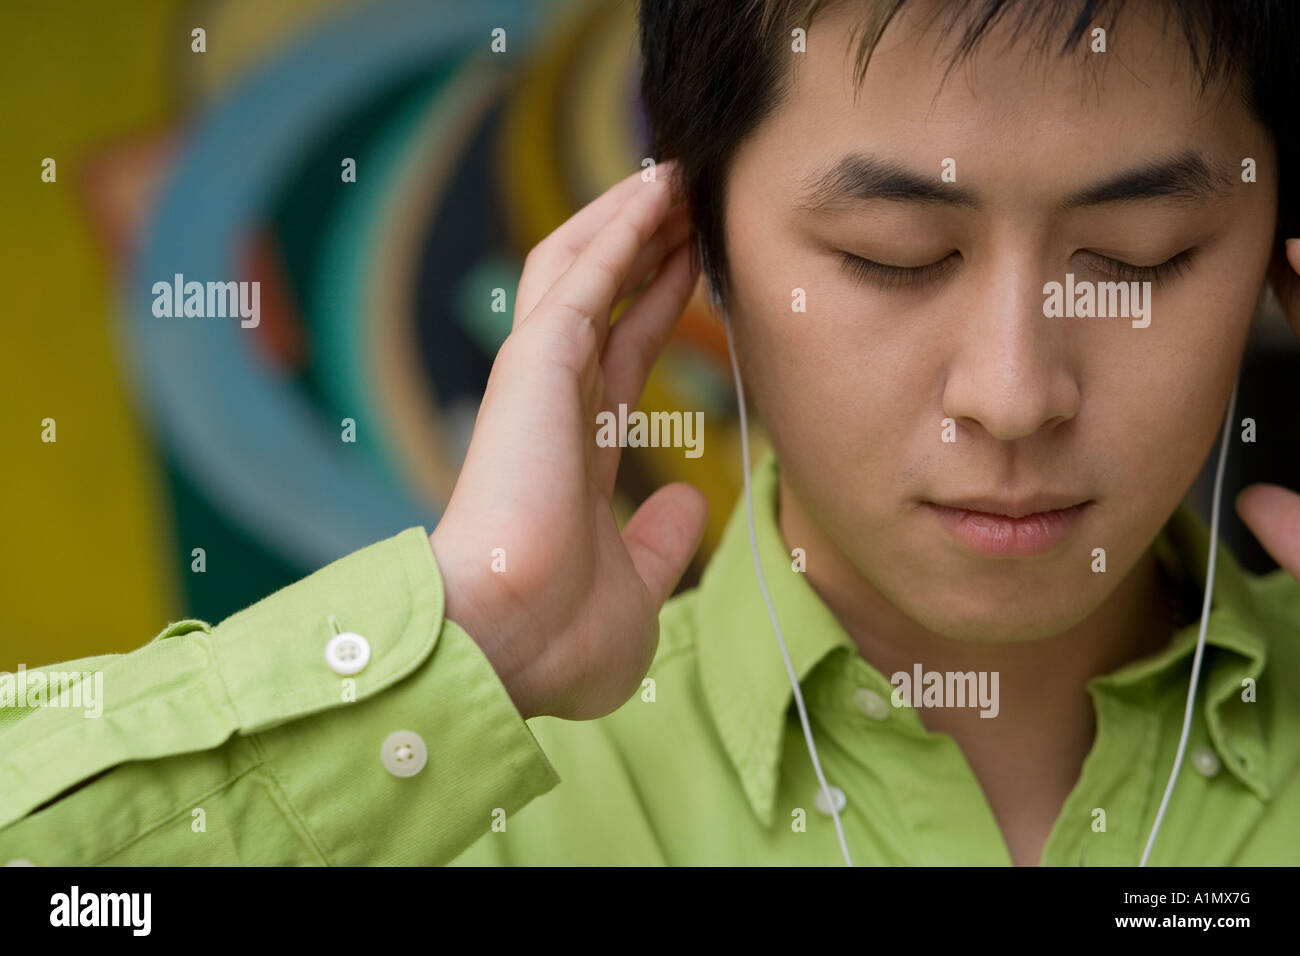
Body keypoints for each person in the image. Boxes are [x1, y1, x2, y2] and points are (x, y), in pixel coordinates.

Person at [3, 0, 1300, 866]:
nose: (1015, 394)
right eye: (894, 257)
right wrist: (459, 643)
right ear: (693, 247)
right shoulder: (472, 789)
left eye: (1138, 259)